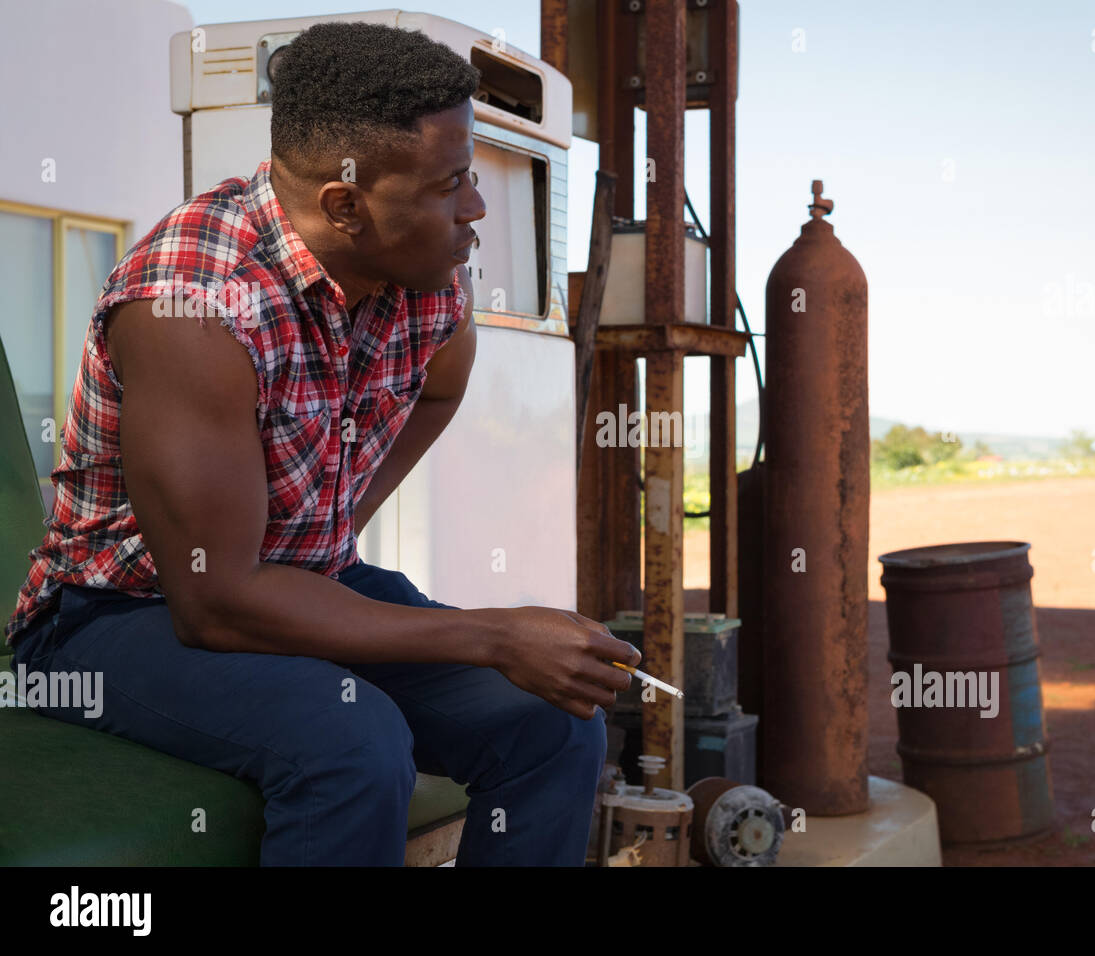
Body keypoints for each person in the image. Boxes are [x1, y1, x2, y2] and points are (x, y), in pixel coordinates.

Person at [3, 21, 639, 866]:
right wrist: (495, 634)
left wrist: (336, 518)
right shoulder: (192, 303)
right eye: (452, 184)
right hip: (115, 616)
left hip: (298, 579)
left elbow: (439, 386)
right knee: (352, 740)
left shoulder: (429, 286)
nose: (477, 208)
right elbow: (216, 603)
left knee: (557, 726)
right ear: (347, 204)